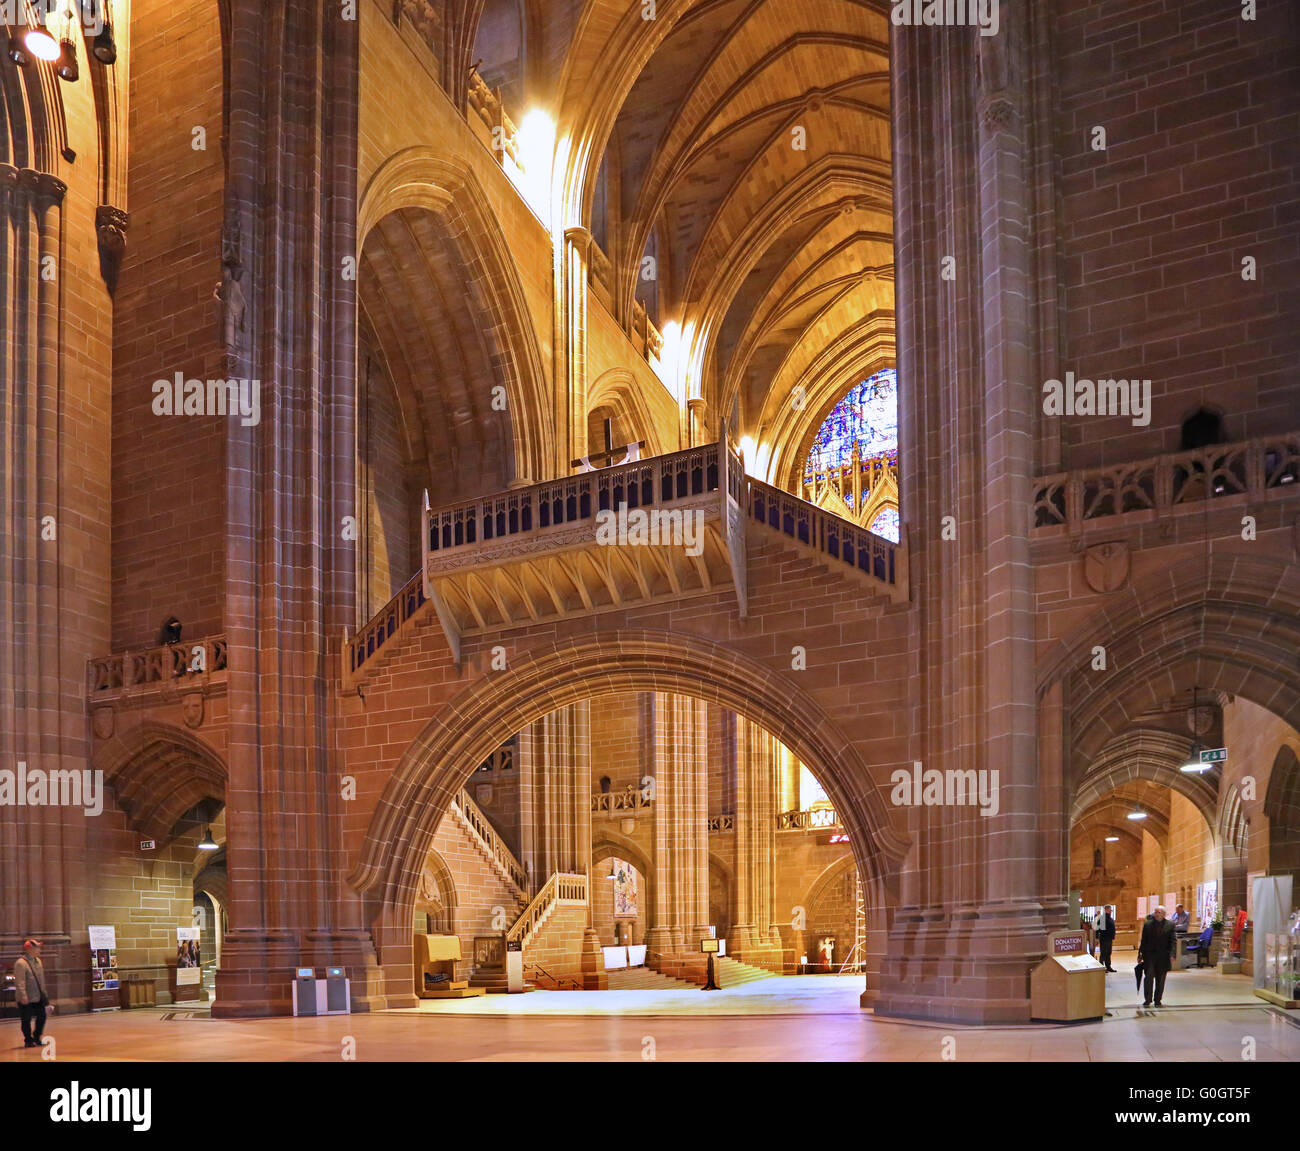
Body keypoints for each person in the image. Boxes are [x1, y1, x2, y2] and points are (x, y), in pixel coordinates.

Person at [1137, 905, 1177, 1007]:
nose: (1157, 914)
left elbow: (1173, 941)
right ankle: (1148, 999)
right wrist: (1140, 954)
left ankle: (1157, 999)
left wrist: (1172, 954)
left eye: (1159, 912)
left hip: (1163, 956)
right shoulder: (1148, 924)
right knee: (1148, 977)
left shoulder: (1170, 925)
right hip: (1149, 955)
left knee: (1161, 979)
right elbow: (1143, 941)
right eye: (1156, 912)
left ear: (1163, 914)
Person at [14, 939, 49, 1049]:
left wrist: (44, 994)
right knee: (26, 1019)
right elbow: (20, 981)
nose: (39, 949)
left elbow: (41, 980)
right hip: (26, 998)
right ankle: (28, 1040)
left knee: (42, 1017)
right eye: (37, 947)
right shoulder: (20, 963)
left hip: (38, 996)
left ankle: (37, 1037)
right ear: (29, 949)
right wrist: (23, 996)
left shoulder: (38, 961)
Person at [1093, 904, 1117, 972]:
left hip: (1109, 938)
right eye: (1110, 909)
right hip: (1104, 938)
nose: (1111, 911)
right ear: (1106, 910)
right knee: (1103, 953)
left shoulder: (1110, 918)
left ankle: (1108, 966)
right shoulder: (1103, 918)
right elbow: (1098, 929)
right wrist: (1097, 938)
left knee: (1109, 953)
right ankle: (1101, 967)